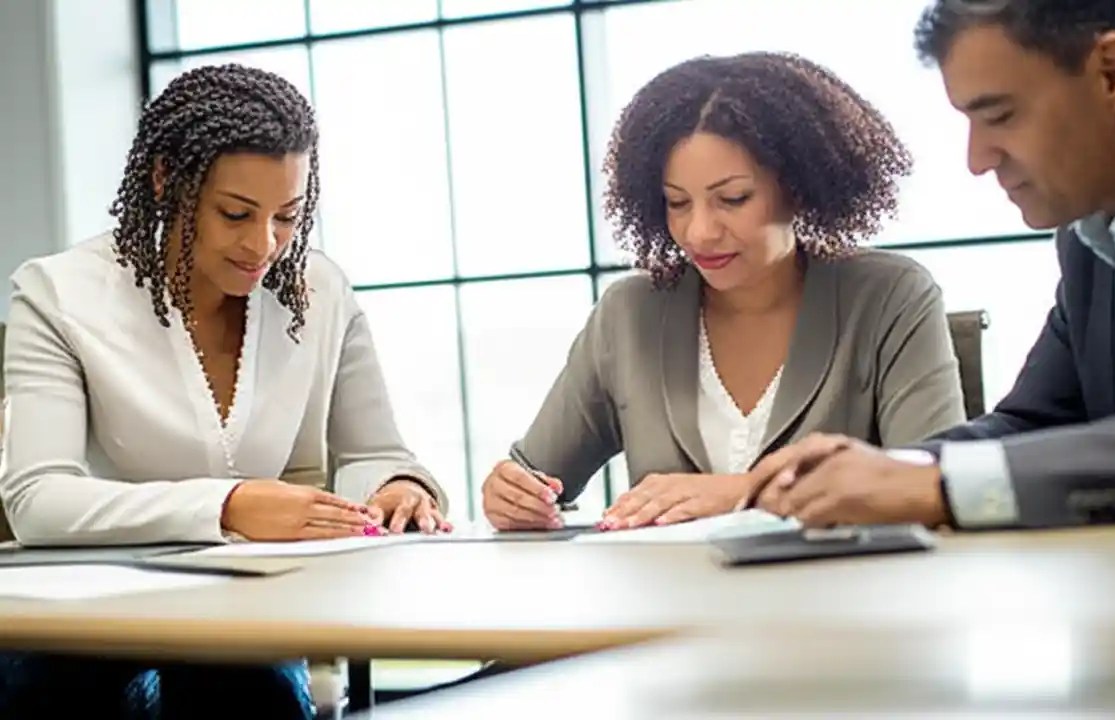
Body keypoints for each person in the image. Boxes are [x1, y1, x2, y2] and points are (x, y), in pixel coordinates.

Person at [0, 63, 449, 718]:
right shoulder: (59, 293)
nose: (263, 244)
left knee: (251, 692)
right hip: (82, 618)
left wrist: (401, 489)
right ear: (165, 180)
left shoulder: (321, 295)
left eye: (287, 217)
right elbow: (38, 499)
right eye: (235, 213)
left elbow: (376, 452)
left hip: (247, 613)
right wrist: (228, 505)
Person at [749, 0, 1115, 530]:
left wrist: (942, 488)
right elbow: (1036, 421)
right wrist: (890, 468)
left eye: (999, 116)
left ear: (1113, 73)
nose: (977, 160)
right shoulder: (1090, 222)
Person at [481, 51, 966, 532]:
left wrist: (743, 492)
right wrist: (513, 494)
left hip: (848, 603)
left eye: (732, 199)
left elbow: (929, 484)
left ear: (797, 186)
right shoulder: (629, 315)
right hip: (670, 608)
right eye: (677, 203)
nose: (699, 232)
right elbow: (537, 475)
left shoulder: (890, 297)